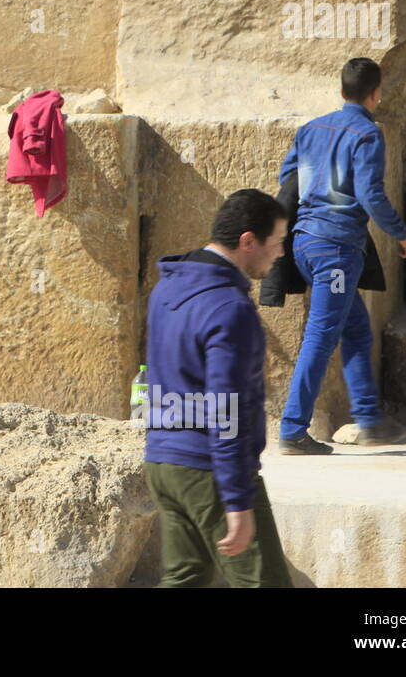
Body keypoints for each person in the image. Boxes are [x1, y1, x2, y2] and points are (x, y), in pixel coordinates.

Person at [143, 189, 293, 588]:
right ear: (248, 241)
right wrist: (237, 498)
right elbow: (226, 409)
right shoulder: (230, 308)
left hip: (162, 461)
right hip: (208, 466)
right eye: (277, 243)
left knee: (186, 578)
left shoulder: (166, 289)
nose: (280, 254)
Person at [277, 58, 406, 455]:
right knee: (319, 338)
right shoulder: (368, 134)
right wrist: (403, 236)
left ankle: (370, 422)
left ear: (341, 92)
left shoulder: (309, 129)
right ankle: (292, 430)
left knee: (354, 329)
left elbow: (287, 179)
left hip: (305, 243)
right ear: (376, 94)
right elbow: (370, 194)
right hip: (336, 251)